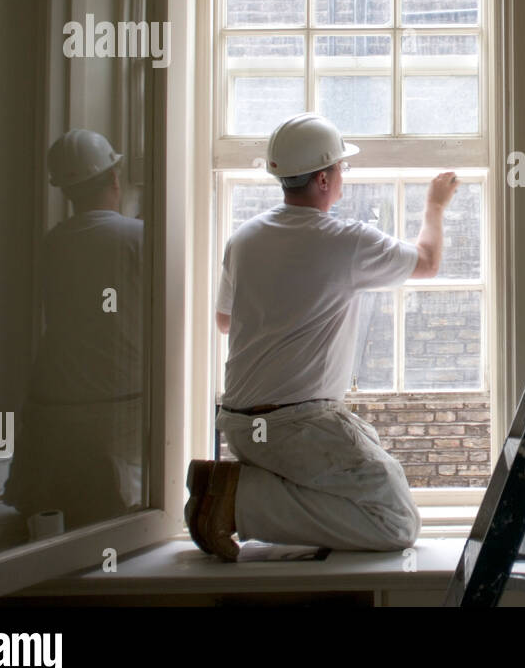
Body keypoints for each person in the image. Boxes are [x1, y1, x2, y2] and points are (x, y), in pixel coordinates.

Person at [187, 113, 457, 560]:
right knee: (396, 521)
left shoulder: (244, 238)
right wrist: (435, 204)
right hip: (294, 425)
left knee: (366, 481)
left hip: (240, 424)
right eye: (340, 169)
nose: (342, 176)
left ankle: (236, 492)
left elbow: (224, 321)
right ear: (323, 180)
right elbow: (427, 262)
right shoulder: (343, 241)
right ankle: (237, 502)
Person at [4, 129, 144, 532]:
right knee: (117, 517)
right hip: (119, 405)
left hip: (54, 401)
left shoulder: (52, 243)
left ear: (66, 191)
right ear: (115, 179)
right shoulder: (140, 238)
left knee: (52, 518)